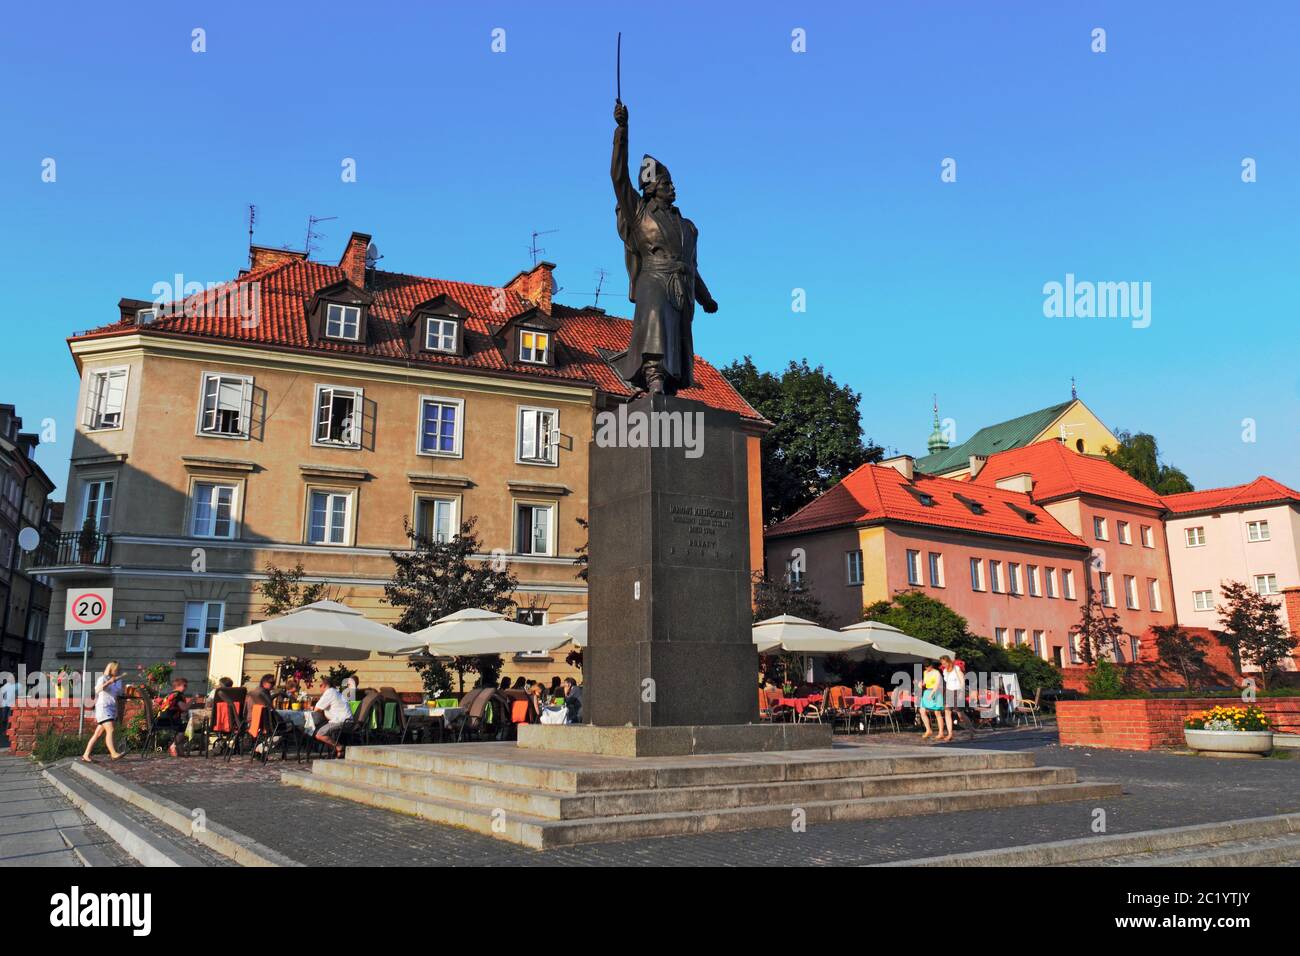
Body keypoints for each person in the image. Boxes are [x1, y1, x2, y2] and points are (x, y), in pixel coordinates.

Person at [82, 662, 127, 762]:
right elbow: (98, 690)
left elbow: (118, 693)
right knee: (110, 730)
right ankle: (113, 753)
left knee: (97, 734)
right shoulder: (102, 678)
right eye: (116, 669)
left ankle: (86, 754)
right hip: (103, 707)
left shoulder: (118, 681)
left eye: (119, 669)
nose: (118, 671)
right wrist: (109, 682)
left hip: (111, 708)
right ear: (111, 669)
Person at [313, 680, 353, 758]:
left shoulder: (329, 693)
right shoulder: (335, 692)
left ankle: (339, 747)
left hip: (341, 721)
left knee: (319, 734)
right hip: (346, 720)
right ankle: (335, 751)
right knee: (321, 730)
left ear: (324, 685)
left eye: (320, 686)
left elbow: (316, 709)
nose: (319, 689)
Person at [155, 677, 191, 757]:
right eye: (184, 686)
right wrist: (193, 700)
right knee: (187, 726)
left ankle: (178, 749)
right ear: (178, 686)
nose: (186, 688)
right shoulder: (178, 695)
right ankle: (174, 746)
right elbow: (184, 708)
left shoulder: (171, 694)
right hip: (169, 720)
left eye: (186, 686)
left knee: (183, 725)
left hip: (161, 720)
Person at [938, 655, 965, 743]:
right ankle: (950, 734)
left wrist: (961, 693)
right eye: (942, 663)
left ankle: (971, 728)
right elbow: (947, 682)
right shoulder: (945, 671)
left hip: (957, 691)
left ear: (949, 661)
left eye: (945, 663)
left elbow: (962, 681)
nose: (944, 665)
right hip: (949, 692)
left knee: (960, 715)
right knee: (947, 712)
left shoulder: (956, 668)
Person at [917, 662, 944, 741]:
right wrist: (921, 684)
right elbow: (925, 682)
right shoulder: (925, 672)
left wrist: (932, 693)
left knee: (937, 713)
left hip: (936, 692)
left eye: (927, 667)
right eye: (925, 667)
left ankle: (941, 733)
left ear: (931, 666)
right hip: (927, 692)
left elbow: (937, 684)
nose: (926, 668)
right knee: (922, 710)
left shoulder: (936, 673)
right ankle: (928, 730)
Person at [0, 673, 19, 738]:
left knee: (9, 719)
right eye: (9, 677)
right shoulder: (5, 686)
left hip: (12, 705)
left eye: (12, 677)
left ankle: (7, 732)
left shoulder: (17, 686)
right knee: (4, 719)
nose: (10, 679)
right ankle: (3, 731)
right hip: (5, 705)